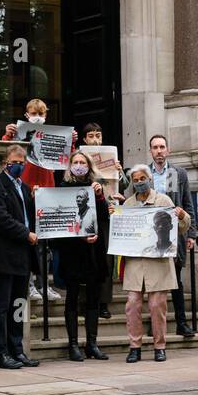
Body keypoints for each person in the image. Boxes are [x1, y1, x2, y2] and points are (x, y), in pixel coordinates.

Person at [122, 164, 190, 363]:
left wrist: (182, 216)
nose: (140, 182)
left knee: (157, 306)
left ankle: (159, 346)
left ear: (150, 179)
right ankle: (135, 346)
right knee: (132, 305)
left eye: (143, 178)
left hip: (158, 262)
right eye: (136, 180)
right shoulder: (128, 204)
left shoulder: (163, 200)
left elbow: (182, 227)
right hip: (135, 263)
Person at [0, 143, 41, 370]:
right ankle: (1, 351)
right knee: (2, 305)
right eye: (15, 162)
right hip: (5, 255)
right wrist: (26, 234)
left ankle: (17, 348)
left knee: (19, 304)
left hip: (24, 256)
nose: (19, 165)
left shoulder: (24, 188)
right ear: (5, 163)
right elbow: (0, 219)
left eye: (22, 162)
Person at [54, 150, 111, 361]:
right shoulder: (63, 188)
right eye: (75, 162)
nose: (79, 165)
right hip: (73, 252)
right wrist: (79, 238)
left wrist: (100, 196)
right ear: (70, 166)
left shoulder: (95, 188)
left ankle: (92, 343)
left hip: (94, 252)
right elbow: (61, 223)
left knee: (94, 298)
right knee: (73, 297)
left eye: (82, 162)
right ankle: (73, 344)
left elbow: (104, 216)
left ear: (89, 166)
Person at [3, 98, 61, 301]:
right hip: (26, 194)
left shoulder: (53, 136)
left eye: (41, 114)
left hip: (47, 194)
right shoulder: (18, 135)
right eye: (34, 113)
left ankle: (44, 284)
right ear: (26, 116)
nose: (38, 117)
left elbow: (66, 161)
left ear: (46, 116)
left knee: (46, 245)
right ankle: (29, 285)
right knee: (30, 241)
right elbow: (6, 156)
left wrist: (70, 140)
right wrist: (9, 135)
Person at [149, 134, 198, 338]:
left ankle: (182, 323)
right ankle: (154, 326)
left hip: (174, 234)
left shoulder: (178, 173)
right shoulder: (144, 173)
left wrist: (191, 233)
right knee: (152, 281)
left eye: (162, 147)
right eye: (155, 147)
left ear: (167, 150)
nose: (159, 151)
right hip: (150, 233)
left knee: (176, 280)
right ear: (150, 151)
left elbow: (188, 204)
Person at [80, 122, 126, 319]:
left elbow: (123, 185)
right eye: (91, 135)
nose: (95, 139)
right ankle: (86, 302)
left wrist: (120, 171)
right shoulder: (79, 159)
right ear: (84, 139)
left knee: (106, 259)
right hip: (87, 215)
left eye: (98, 135)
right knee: (87, 259)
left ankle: (104, 302)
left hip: (108, 213)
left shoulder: (110, 157)